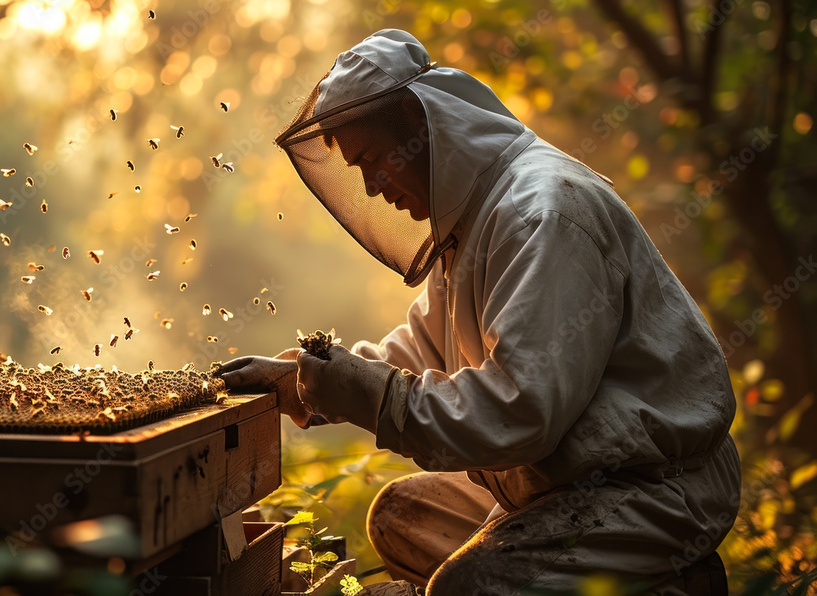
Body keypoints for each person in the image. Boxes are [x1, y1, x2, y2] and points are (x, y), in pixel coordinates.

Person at [219, 29, 741, 595]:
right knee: (399, 514)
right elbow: (420, 352)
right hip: (559, 481)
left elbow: (520, 413)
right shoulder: (475, 222)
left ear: (421, 127)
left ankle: (671, 580)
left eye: (372, 160)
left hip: (648, 487)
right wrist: (300, 380)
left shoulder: (541, 213)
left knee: (467, 586)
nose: (371, 188)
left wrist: (363, 391)